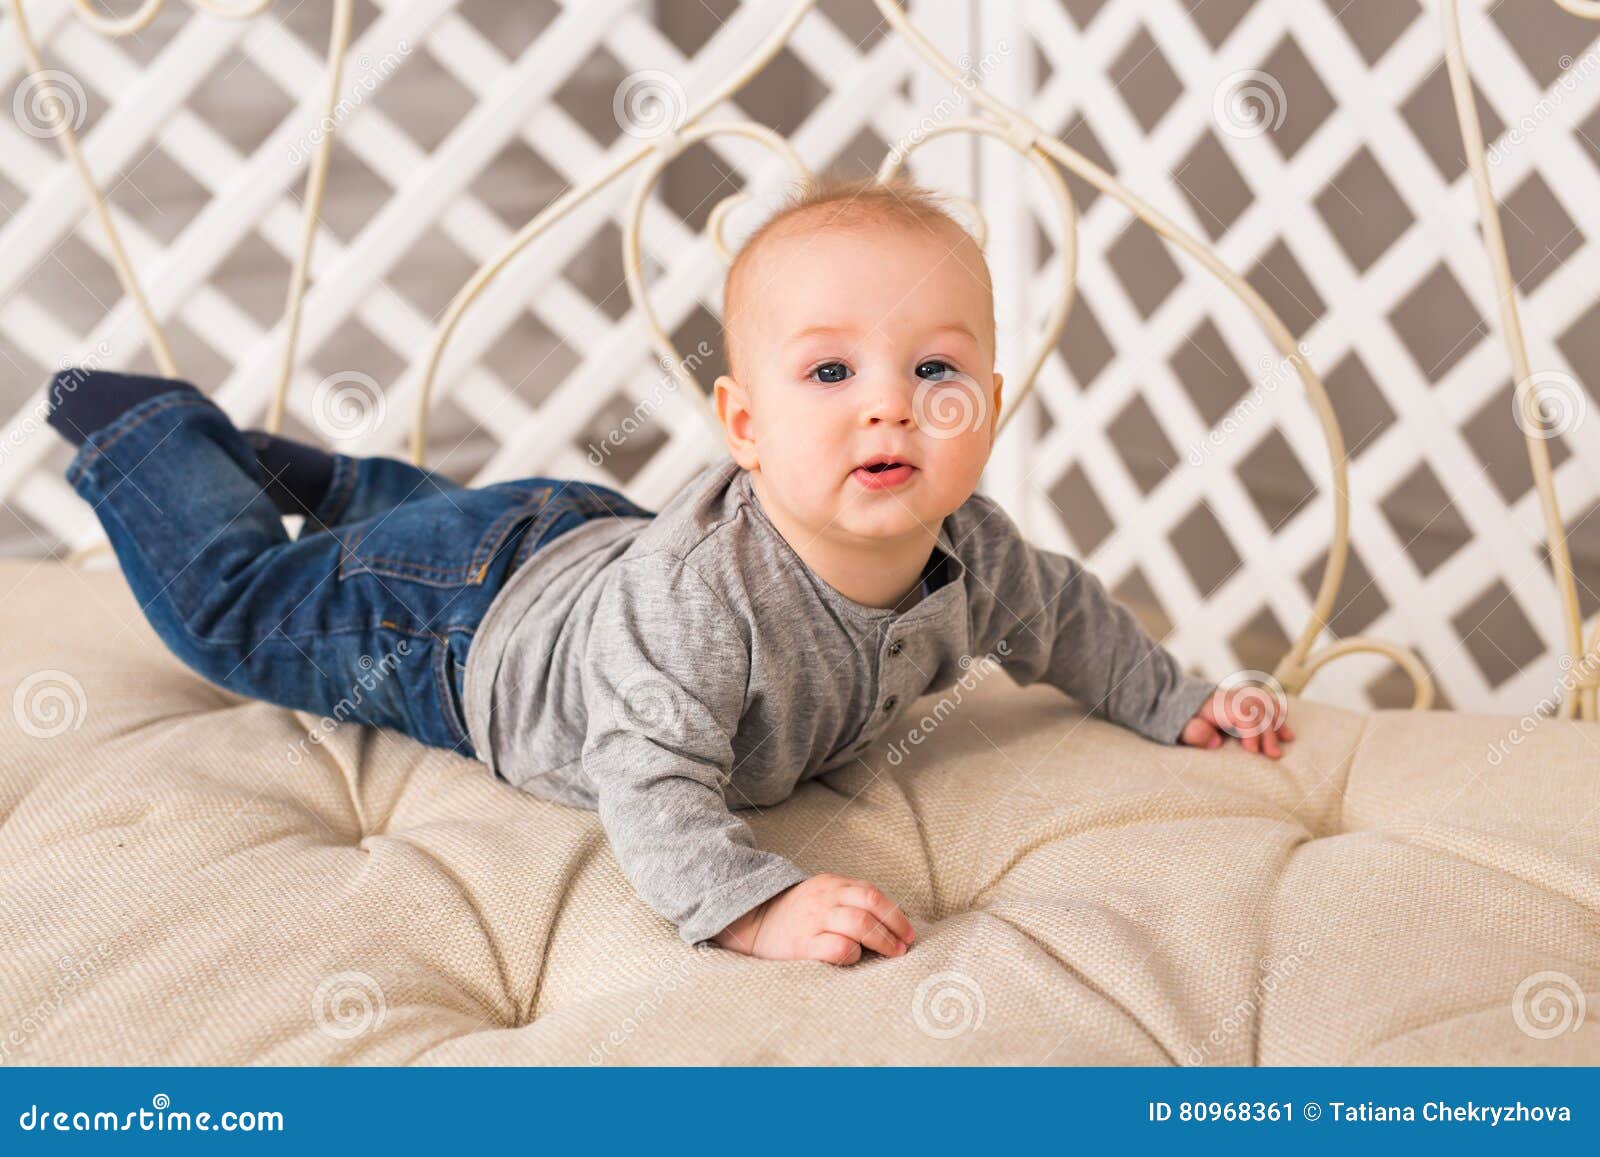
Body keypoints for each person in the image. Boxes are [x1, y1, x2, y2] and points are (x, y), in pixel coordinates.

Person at [45, 175, 1292, 966]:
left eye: (935, 369)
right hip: (468, 633)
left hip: (568, 535)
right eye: (829, 371)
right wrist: (754, 904)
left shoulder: (978, 552)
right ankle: (149, 432)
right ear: (742, 424)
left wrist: (1174, 698)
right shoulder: (708, 603)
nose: (889, 407)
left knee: (418, 528)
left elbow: (1066, 618)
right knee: (243, 614)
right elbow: (647, 780)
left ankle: (327, 484)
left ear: (991, 403)